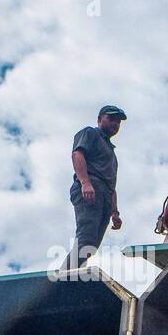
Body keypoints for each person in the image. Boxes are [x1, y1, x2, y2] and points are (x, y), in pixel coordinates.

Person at [65, 105, 126, 269]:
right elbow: (77, 154)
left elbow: (112, 185)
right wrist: (85, 182)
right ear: (99, 119)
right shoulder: (90, 133)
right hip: (90, 188)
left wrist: (115, 212)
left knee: (91, 247)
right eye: (111, 118)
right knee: (86, 238)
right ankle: (63, 279)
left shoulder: (112, 154)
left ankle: (73, 275)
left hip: (105, 195)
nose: (115, 123)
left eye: (118, 122)